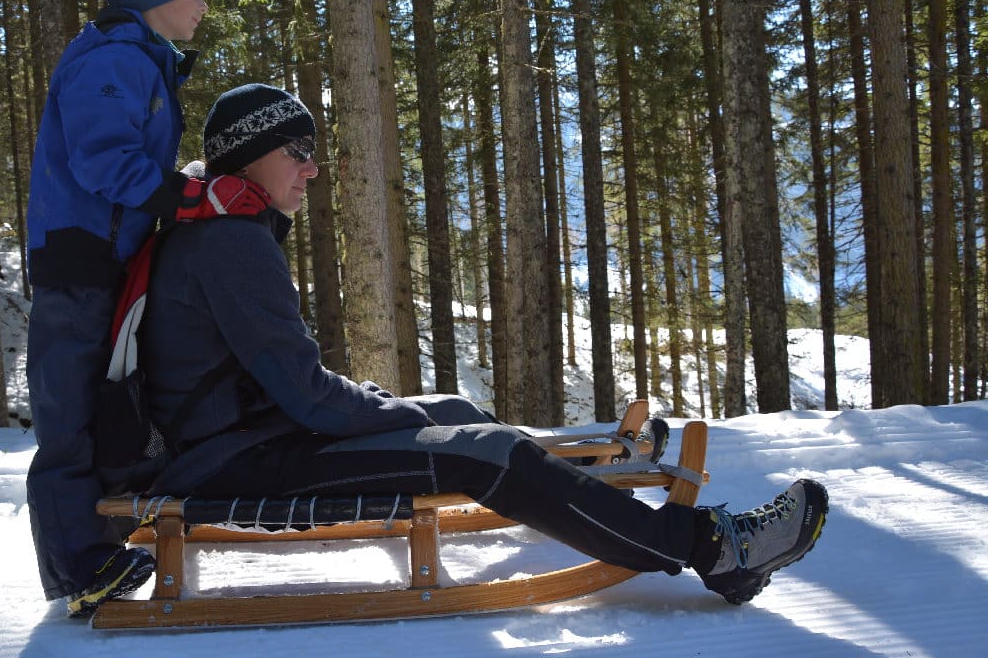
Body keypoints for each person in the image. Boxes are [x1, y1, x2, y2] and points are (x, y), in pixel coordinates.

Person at [137, 83, 829, 607]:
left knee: (448, 407)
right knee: (483, 450)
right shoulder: (230, 241)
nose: (312, 171)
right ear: (249, 153)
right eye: (299, 153)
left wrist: (400, 409)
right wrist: (397, 415)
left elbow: (290, 384)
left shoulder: (224, 226)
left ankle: (578, 475)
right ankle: (714, 547)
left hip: (248, 442)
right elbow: (309, 396)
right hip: (236, 463)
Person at [25, 0, 216, 617]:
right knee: (68, 414)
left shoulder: (141, 57)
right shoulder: (113, 58)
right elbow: (104, 160)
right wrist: (185, 194)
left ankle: (103, 543)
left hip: (104, 261)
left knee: (109, 404)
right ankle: (78, 565)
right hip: (77, 263)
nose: (201, 4)